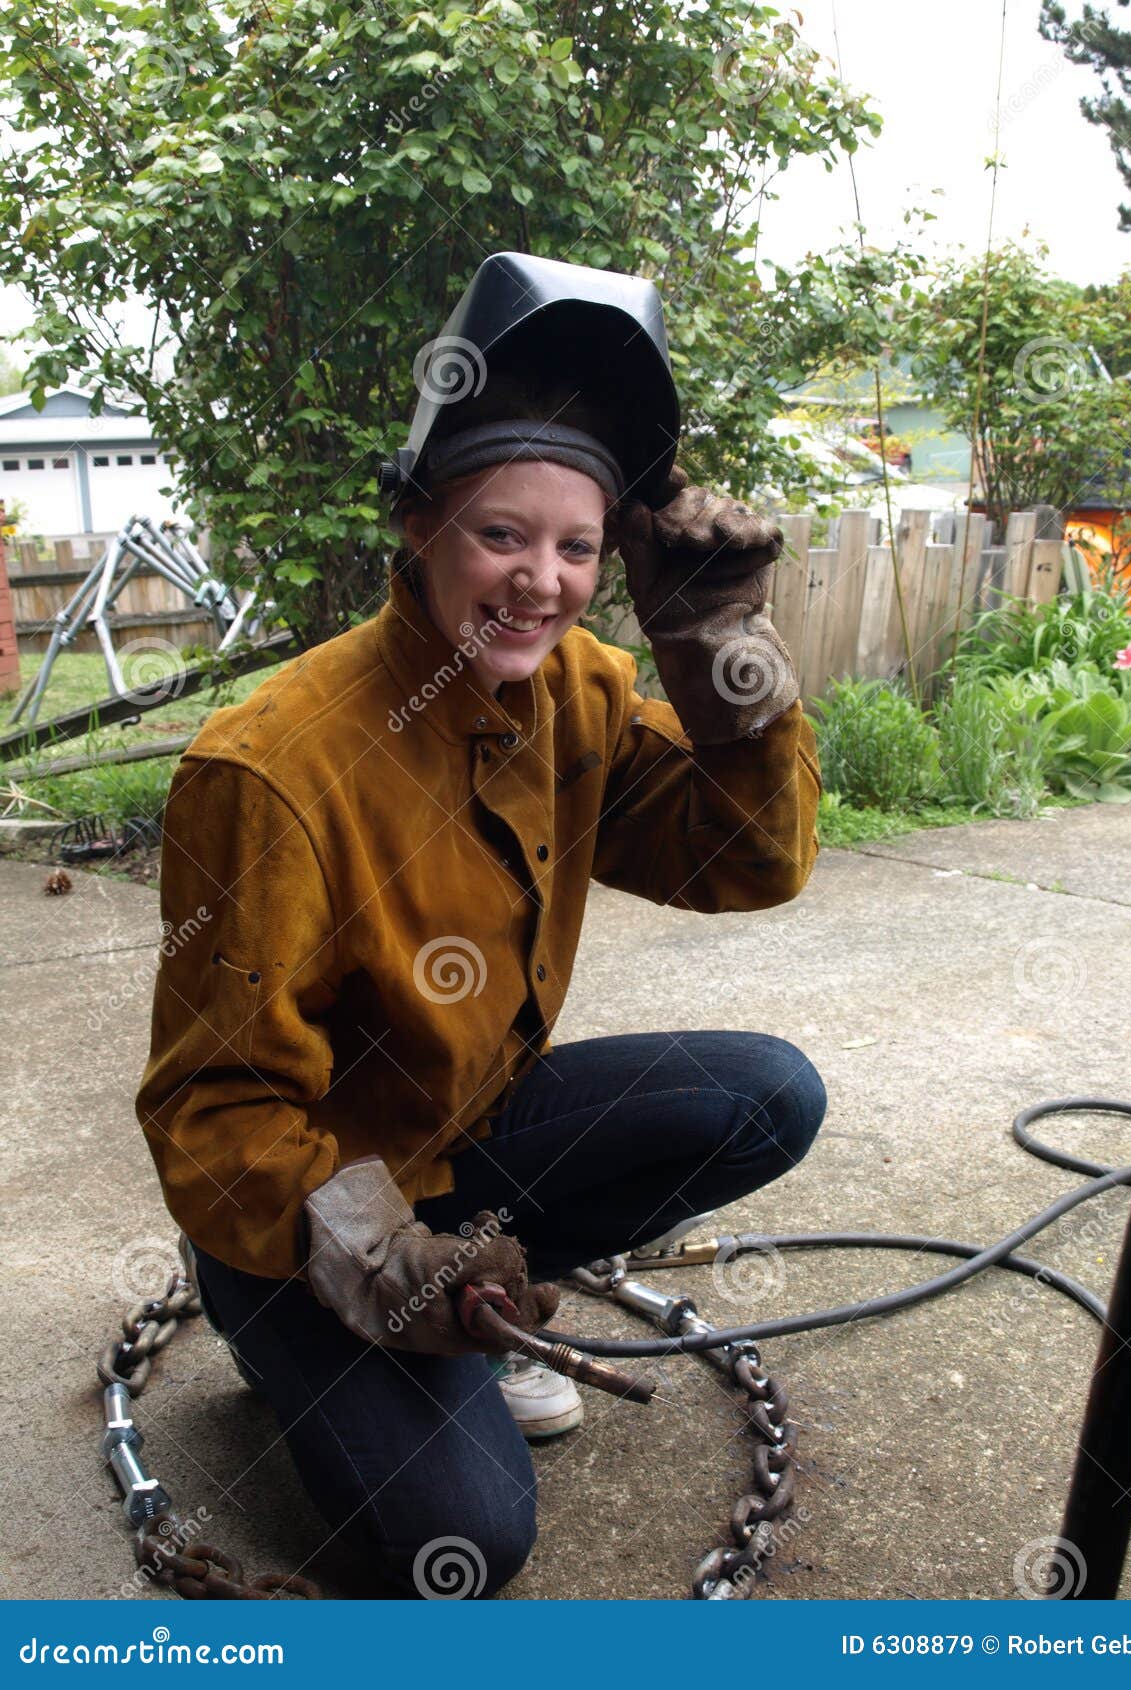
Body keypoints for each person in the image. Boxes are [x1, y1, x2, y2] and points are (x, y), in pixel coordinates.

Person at [135, 253, 826, 1599]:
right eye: (502, 535)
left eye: (577, 548)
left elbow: (752, 860)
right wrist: (387, 1258)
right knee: (474, 1539)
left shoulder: (578, 690)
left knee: (765, 1095)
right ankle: (292, 1348)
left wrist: (718, 643)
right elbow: (215, 1122)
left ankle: (483, 1295)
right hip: (295, 1217)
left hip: (463, 1141)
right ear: (419, 526)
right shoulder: (270, 768)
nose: (542, 582)